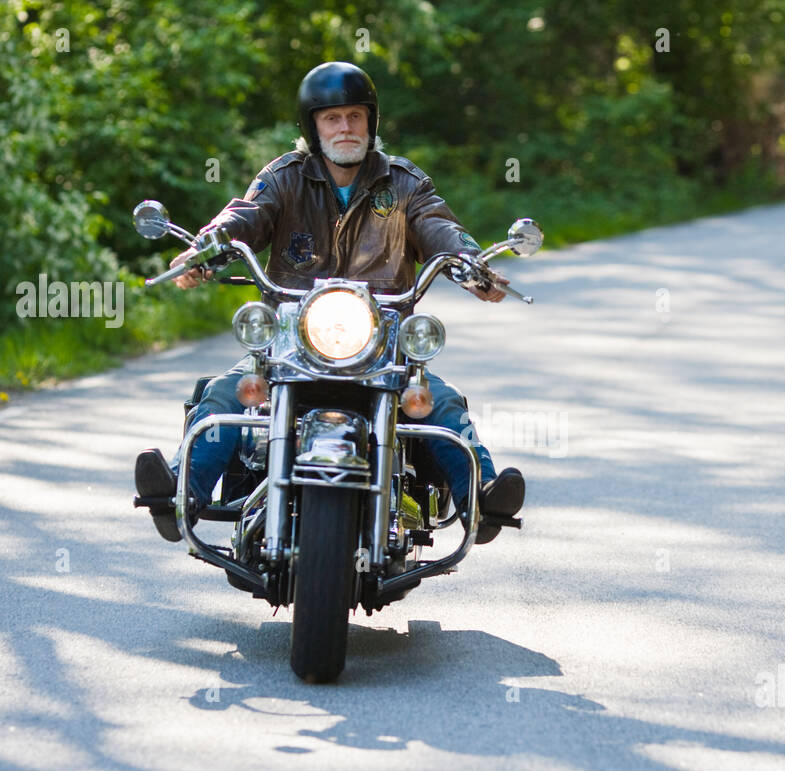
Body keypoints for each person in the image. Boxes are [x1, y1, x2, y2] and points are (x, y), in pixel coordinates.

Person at [135, 61, 524, 546]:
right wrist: (207, 247)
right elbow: (245, 215)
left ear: (371, 122)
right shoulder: (285, 177)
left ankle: (481, 497)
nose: (345, 128)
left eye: (355, 117)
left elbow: (437, 225)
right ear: (312, 126)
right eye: (332, 118)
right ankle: (179, 494)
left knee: (438, 403)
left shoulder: (404, 184)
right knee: (224, 396)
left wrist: (470, 262)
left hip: (381, 344)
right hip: (290, 339)